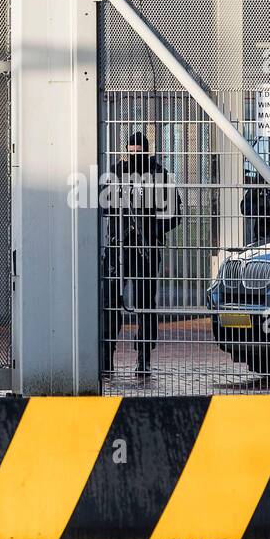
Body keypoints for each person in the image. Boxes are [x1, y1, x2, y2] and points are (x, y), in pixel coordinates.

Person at [100, 131, 181, 377]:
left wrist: (152, 228)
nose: (134, 156)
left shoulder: (159, 174)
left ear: (146, 151)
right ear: (125, 151)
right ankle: (106, 358)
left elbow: (176, 213)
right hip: (117, 249)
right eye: (130, 151)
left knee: (146, 306)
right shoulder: (114, 173)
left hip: (146, 250)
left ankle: (144, 358)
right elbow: (100, 207)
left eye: (139, 152)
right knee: (110, 305)